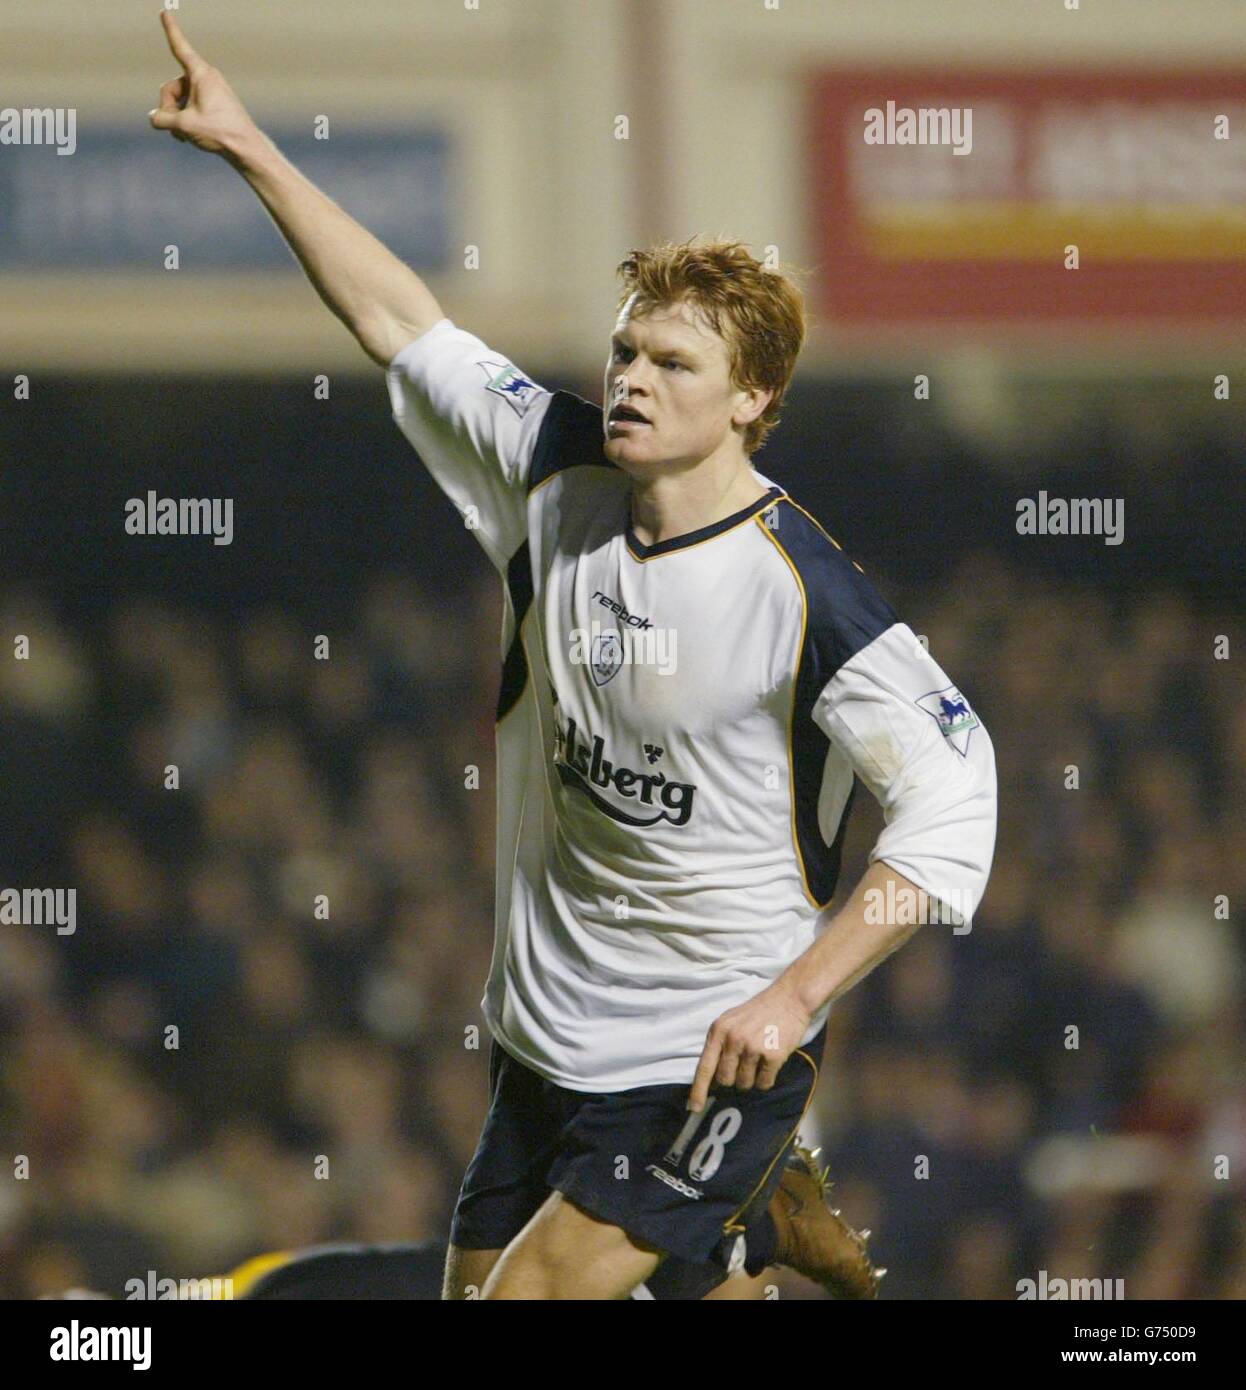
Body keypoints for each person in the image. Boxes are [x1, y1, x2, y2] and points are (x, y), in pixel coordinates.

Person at [149, 10, 996, 1301]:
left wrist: (793, 997)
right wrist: (250, 144)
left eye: (673, 361)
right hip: (544, 1050)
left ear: (753, 398)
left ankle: (750, 1186)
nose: (632, 379)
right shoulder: (552, 468)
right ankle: (756, 1240)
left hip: (708, 1060)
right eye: (623, 351)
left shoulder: (809, 595)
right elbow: (400, 320)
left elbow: (956, 789)